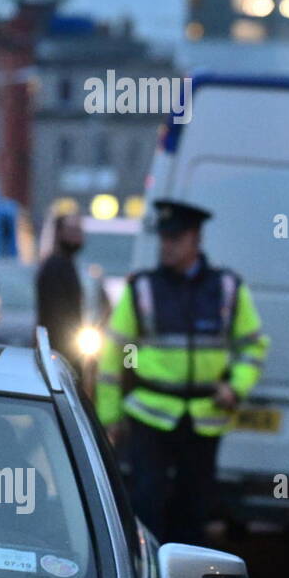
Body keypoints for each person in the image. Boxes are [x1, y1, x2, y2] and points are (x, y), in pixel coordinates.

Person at [96, 200, 269, 547]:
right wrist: (110, 417)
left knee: (193, 507)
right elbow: (114, 355)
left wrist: (236, 388)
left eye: (175, 239)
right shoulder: (142, 289)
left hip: (205, 416)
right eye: (163, 239)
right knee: (146, 502)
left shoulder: (226, 288)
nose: (167, 246)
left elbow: (253, 346)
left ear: (196, 239)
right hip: (150, 413)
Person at [36, 212, 84, 364]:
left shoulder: (66, 264)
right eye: (73, 230)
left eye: (79, 230)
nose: (79, 235)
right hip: (60, 349)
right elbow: (56, 313)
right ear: (59, 233)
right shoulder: (56, 266)